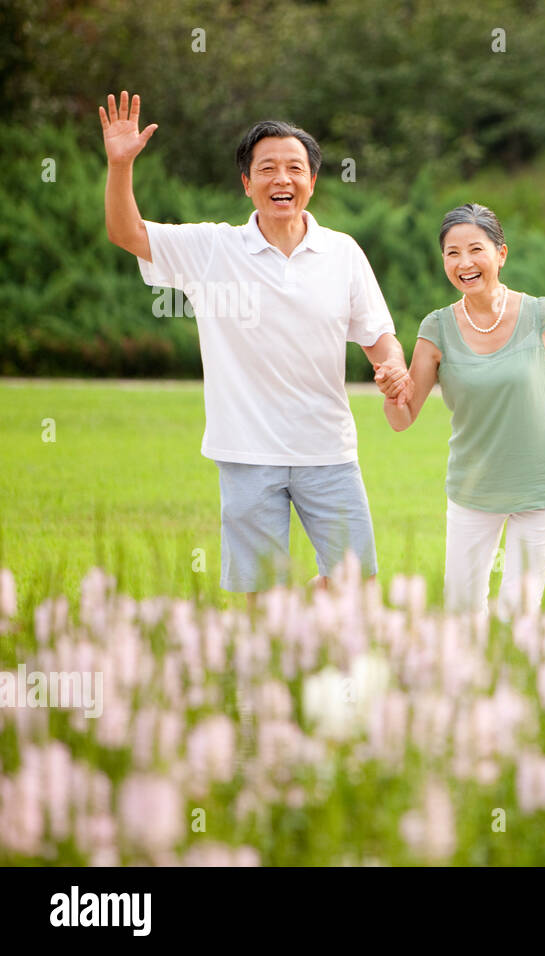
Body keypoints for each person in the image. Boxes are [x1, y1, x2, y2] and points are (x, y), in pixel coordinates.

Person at [99, 91, 412, 598]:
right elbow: (126, 232)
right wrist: (119, 166)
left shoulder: (343, 253)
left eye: (294, 168)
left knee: (357, 586)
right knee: (260, 599)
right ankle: (270, 662)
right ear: (247, 183)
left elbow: (379, 337)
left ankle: (303, 624)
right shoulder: (212, 249)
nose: (281, 179)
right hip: (246, 451)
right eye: (267, 168)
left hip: (328, 450)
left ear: (311, 180)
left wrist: (393, 367)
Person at [379, 203, 545, 617]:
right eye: (452, 253)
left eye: (475, 249)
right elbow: (402, 419)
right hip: (473, 489)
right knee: (462, 612)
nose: (464, 262)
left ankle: (517, 682)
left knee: (518, 613)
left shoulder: (540, 314)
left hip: (539, 488)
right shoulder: (436, 329)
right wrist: (392, 391)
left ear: (501, 254)